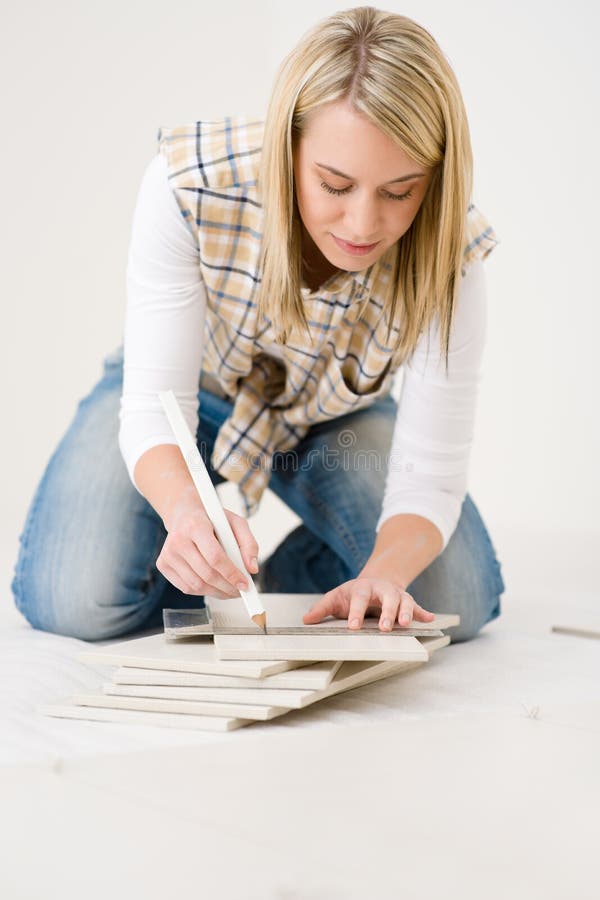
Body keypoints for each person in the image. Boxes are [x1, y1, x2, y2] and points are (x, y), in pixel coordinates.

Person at [11, 6, 505, 643]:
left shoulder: (453, 257)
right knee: (75, 600)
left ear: (433, 178)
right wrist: (189, 514)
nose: (361, 225)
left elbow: (432, 474)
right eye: (334, 183)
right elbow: (154, 405)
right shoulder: (190, 185)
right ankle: (198, 567)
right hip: (195, 398)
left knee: (447, 596)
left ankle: (294, 577)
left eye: (399, 191)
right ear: (289, 148)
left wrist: (383, 572)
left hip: (336, 422)